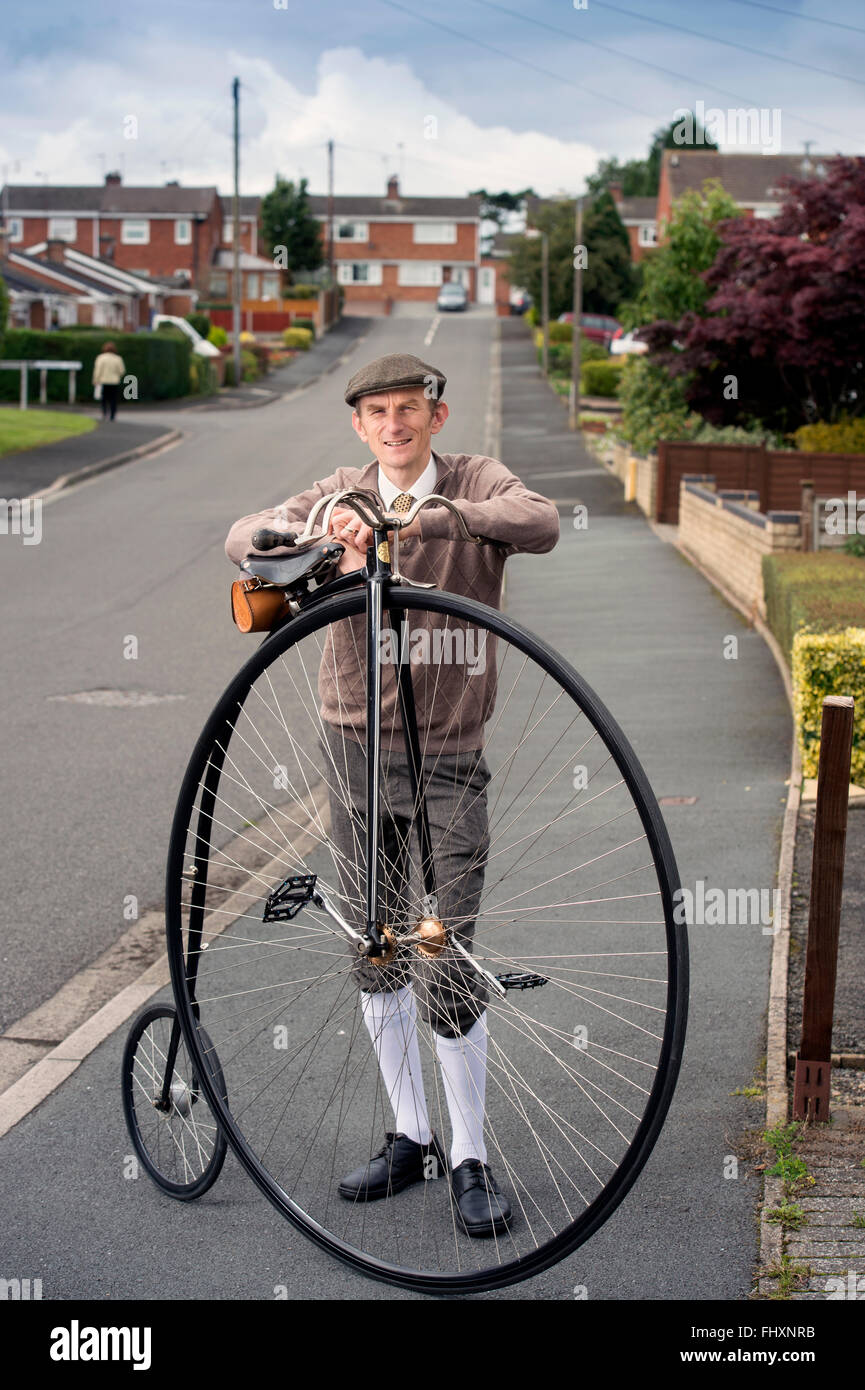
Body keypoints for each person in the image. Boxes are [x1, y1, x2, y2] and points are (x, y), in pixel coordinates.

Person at [225, 352, 559, 1237]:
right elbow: (245, 534)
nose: (394, 425)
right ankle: (410, 1137)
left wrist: (436, 519)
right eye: (378, 412)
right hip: (353, 748)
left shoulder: (474, 480)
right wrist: (308, 536)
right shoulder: (341, 489)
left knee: (446, 955)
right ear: (360, 425)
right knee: (376, 947)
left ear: (434, 418)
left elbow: (540, 520)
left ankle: (470, 1155)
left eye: (409, 409)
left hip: (448, 754)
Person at [92, 341, 125, 421]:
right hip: (114, 382)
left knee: (104, 398)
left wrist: (95, 380)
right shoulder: (118, 358)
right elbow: (122, 371)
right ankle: (112, 415)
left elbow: (98, 371)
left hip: (103, 381)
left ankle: (104, 413)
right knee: (113, 399)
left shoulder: (101, 358)